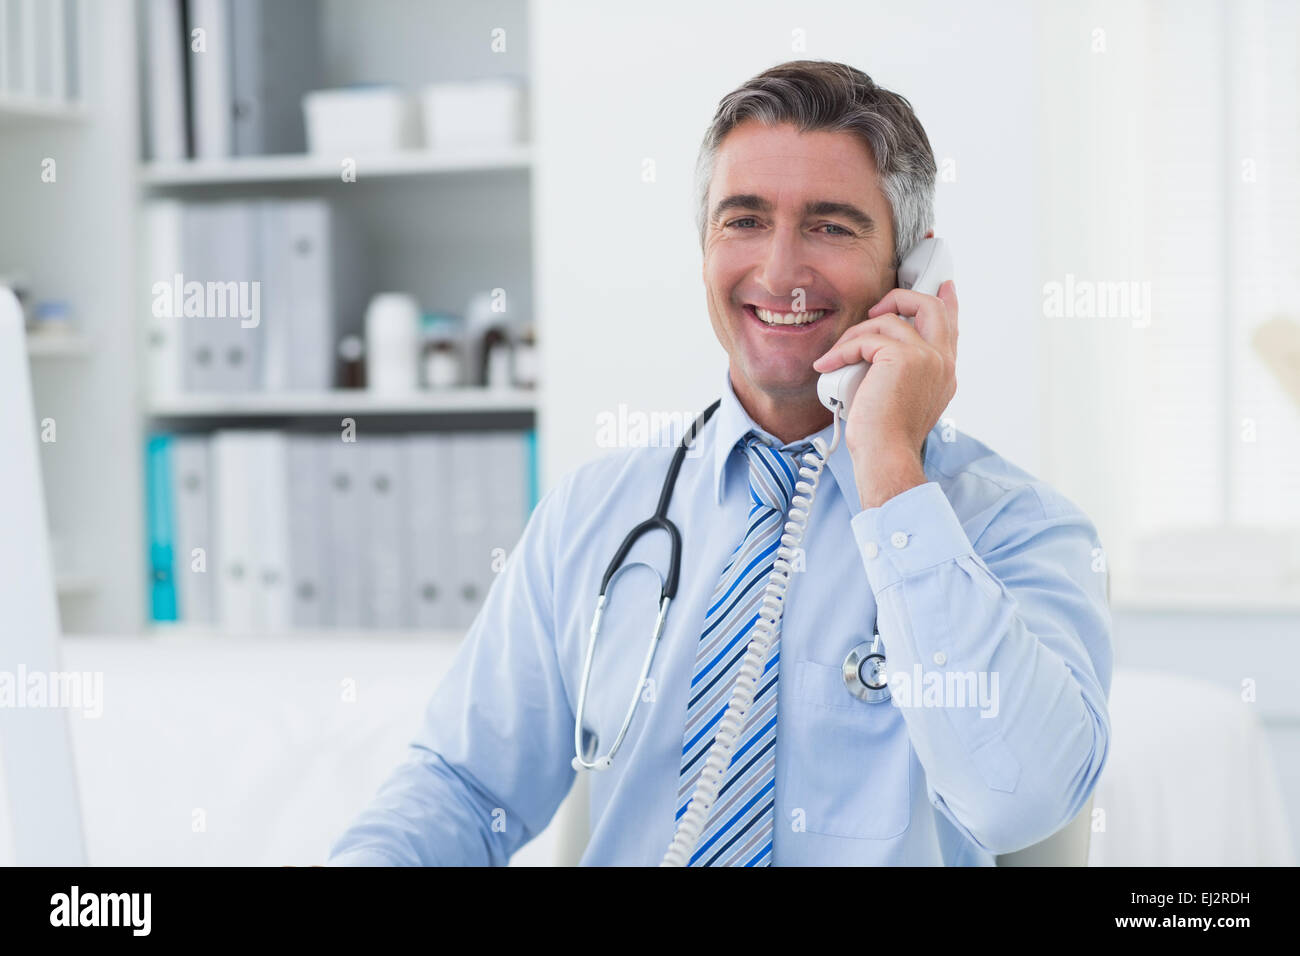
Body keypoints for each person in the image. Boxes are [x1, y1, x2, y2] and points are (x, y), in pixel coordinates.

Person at [327, 59, 1112, 866]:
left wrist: (888, 469)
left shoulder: (1019, 528)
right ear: (704, 245)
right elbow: (467, 787)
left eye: (831, 226)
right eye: (744, 220)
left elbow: (1017, 801)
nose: (778, 272)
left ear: (911, 272)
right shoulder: (593, 514)